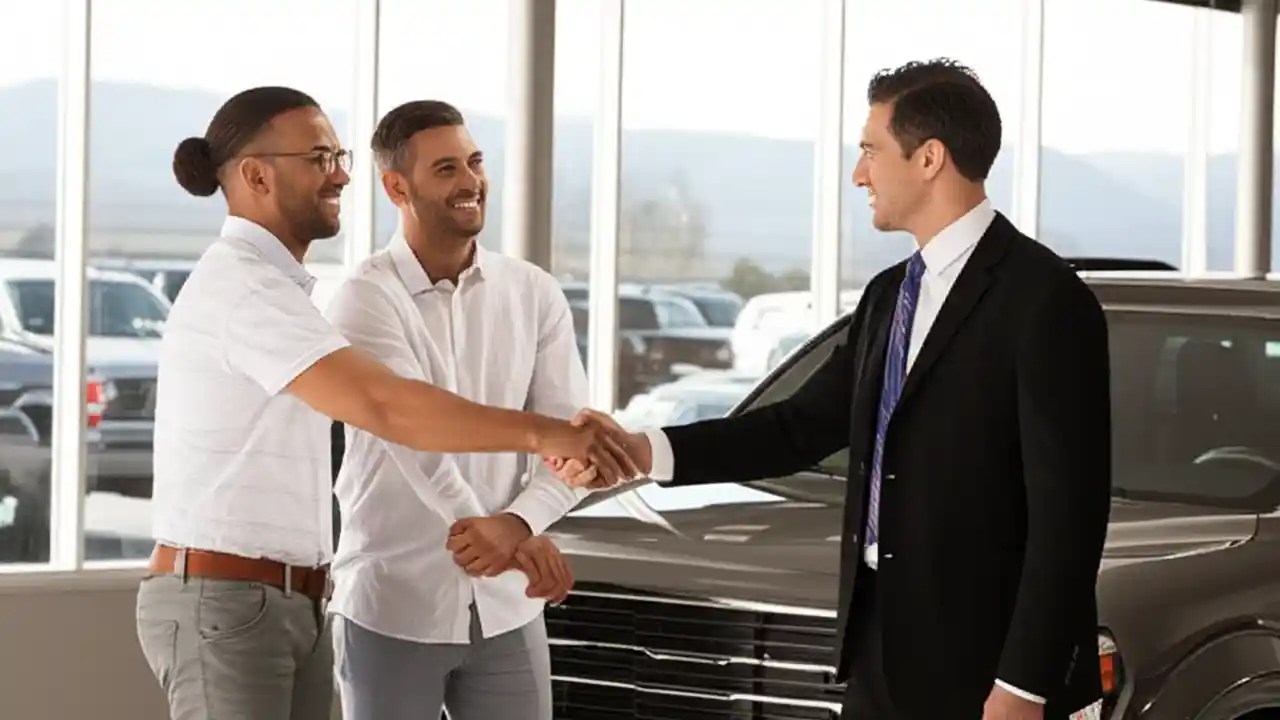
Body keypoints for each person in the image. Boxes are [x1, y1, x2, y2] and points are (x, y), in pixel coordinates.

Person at [566, 59, 1112, 720]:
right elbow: (797, 427)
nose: (860, 175)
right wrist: (640, 449)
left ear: (930, 158)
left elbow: (1069, 521)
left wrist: (1025, 685)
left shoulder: (1046, 300)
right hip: (880, 656)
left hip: (988, 670)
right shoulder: (890, 296)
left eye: (870, 151)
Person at [134, 86, 629, 720]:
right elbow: (389, 409)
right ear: (256, 174)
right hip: (232, 599)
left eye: (337, 153)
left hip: (286, 598)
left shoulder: (281, 291)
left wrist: (522, 519)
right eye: (319, 156)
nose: (341, 173)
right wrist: (546, 437)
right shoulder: (247, 290)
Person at [321, 100, 589, 720]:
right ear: (396, 186)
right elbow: (410, 436)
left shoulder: (534, 293)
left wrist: (520, 526)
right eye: (445, 169)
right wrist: (502, 538)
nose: (470, 182)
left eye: (474, 162)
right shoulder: (365, 298)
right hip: (394, 601)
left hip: (508, 606)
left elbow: (569, 441)